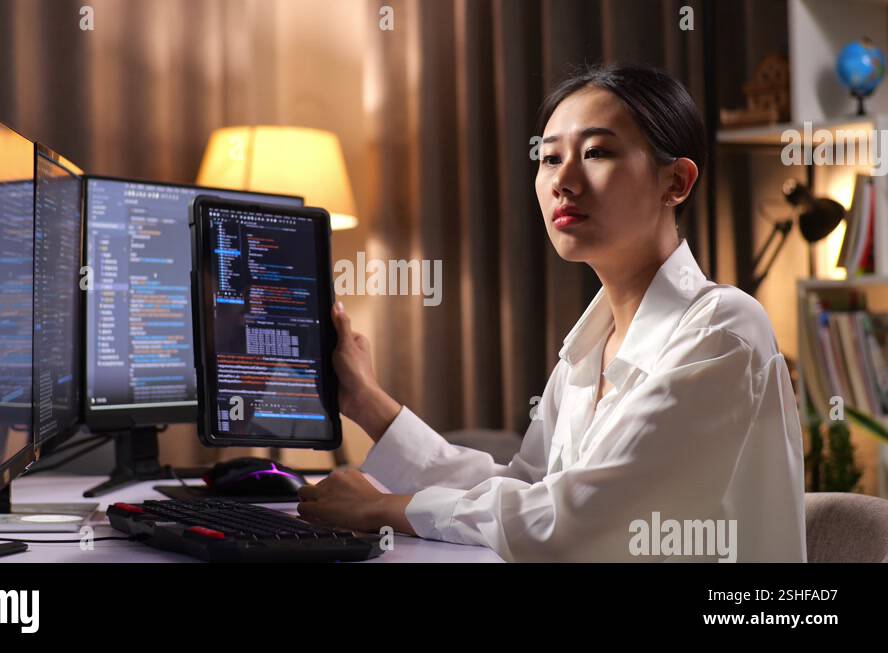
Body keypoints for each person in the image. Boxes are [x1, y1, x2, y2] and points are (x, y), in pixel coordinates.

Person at [297, 63, 807, 562]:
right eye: (548, 158)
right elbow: (526, 489)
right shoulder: (588, 349)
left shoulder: (723, 329)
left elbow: (575, 521)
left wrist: (383, 509)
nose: (563, 180)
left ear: (675, 181)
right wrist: (367, 402)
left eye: (597, 152)